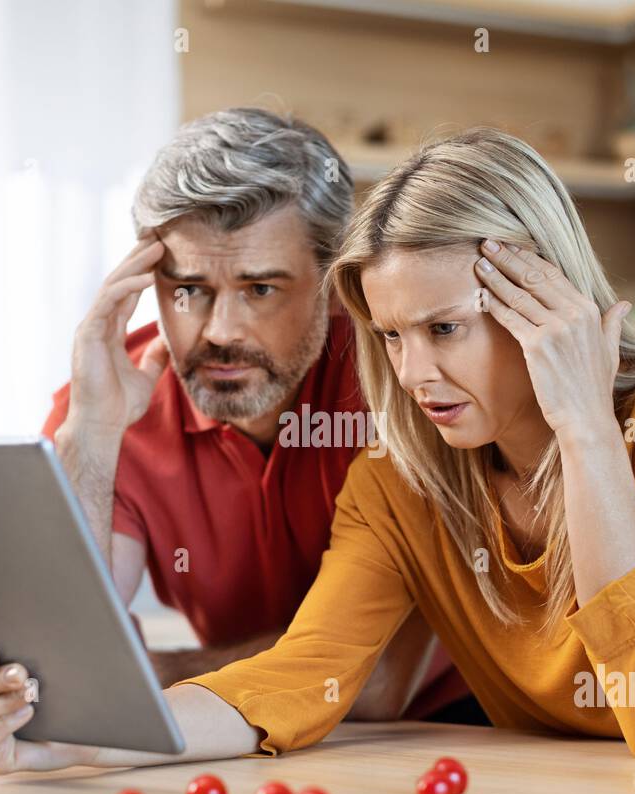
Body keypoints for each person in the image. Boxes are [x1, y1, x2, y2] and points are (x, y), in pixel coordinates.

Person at [0, 127, 635, 773]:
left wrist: (582, 431)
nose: (413, 376)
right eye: (394, 338)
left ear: (547, 305)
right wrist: (73, 743)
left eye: (446, 330)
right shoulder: (403, 480)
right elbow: (298, 678)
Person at [41, 106, 470, 724]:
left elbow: (373, 684)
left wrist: (157, 674)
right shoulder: (108, 398)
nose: (219, 333)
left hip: (445, 726)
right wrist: (93, 433)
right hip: (228, 724)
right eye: (188, 289)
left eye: (260, 289)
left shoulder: (405, 382)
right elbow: (68, 659)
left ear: (332, 280)